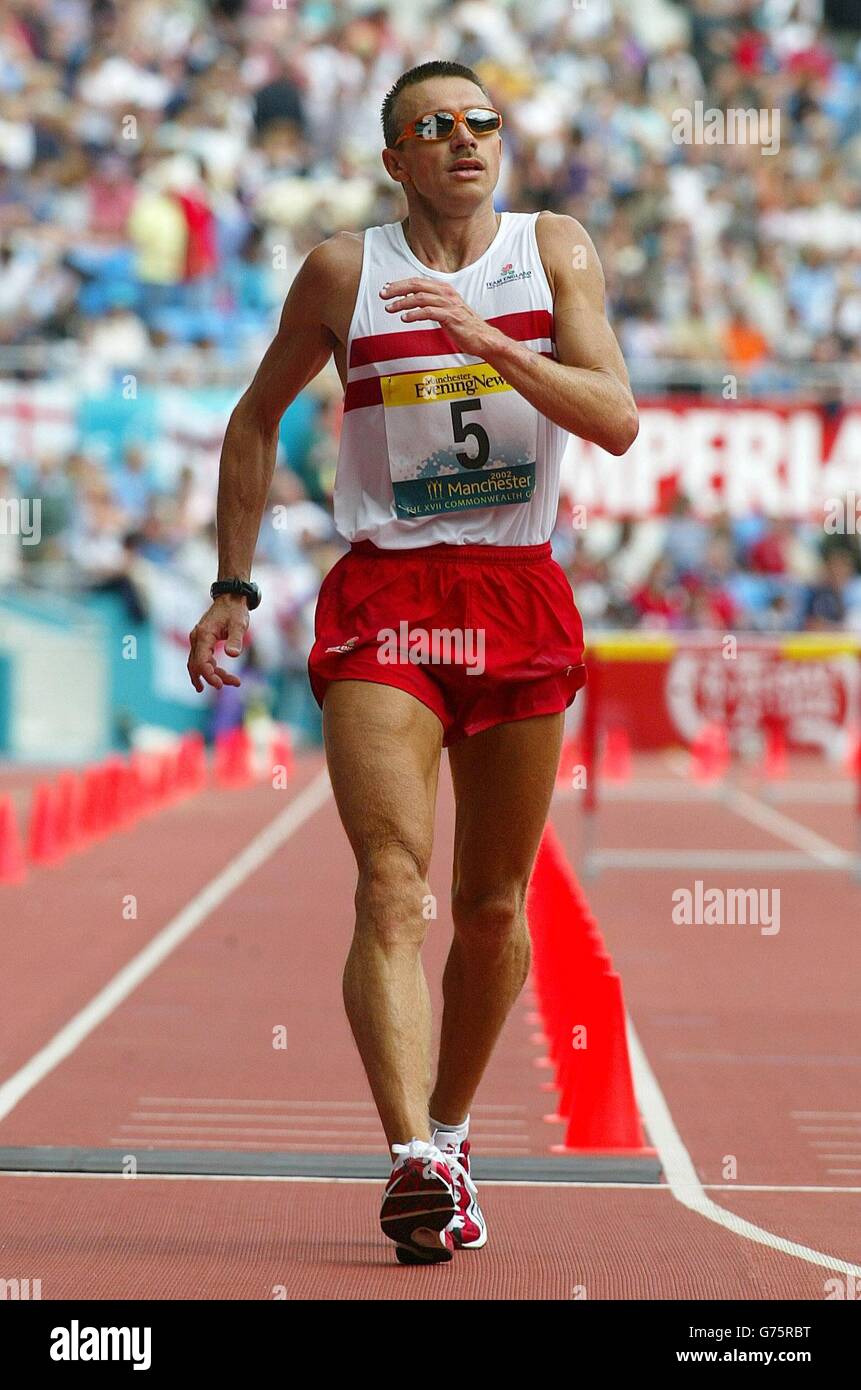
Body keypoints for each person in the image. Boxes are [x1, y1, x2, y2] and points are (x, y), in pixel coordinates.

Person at [187, 59, 638, 1265]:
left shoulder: (556, 251)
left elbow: (615, 417)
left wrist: (494, 342)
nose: (463, 141)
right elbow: (254, 413)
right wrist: (232, 587)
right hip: (389, 596)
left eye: (481, 123)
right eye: (433, 128)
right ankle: (413, 1161)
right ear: (395, 158)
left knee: (492, 911)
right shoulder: (347, 269)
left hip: (519, 588)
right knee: (394, 886)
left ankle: (454, 1123)